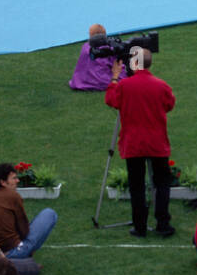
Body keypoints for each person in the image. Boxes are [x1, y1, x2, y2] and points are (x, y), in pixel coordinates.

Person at [105, 46, 176, 238]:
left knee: (137, 185)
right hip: (157, 143)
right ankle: (163, 223)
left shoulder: (124, 86)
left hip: (133, 143)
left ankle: (140, 226)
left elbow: (111, 100)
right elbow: (169, 104)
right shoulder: (161, 85)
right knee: (162, 184)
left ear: (133, 63)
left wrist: (114, 77)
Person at [0, 162, 58, 273]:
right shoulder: (12, 196)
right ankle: (24, 258)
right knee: (49, 214)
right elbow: (24, 230)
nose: (17, 181)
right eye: (14, 178)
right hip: (12, 253)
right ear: (3, 182)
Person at [69, 23, 116, 91]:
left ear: (90, 35)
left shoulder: (85, 47)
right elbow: (115, 65)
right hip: (102, 82)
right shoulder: (108, 48)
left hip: (81, 81)